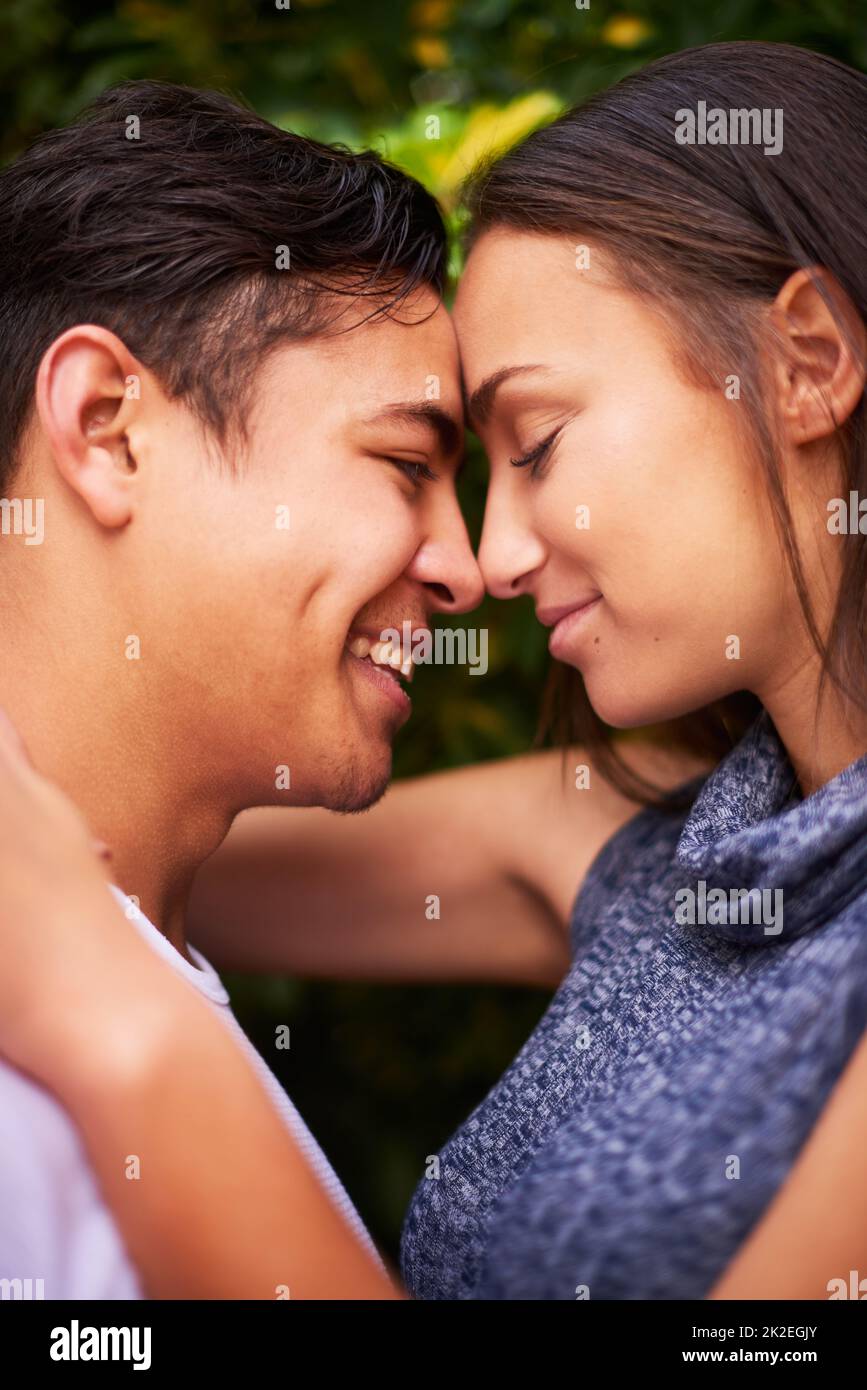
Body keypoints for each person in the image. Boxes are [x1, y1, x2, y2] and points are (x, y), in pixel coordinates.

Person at [4, 38, 867, 1300]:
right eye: (419, 464)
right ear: (104, 428)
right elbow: (125, 817)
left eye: (542, 439)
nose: (492, 561)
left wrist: (123, 1030)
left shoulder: (97, 1003)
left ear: (808, 363)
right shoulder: (679, 850)